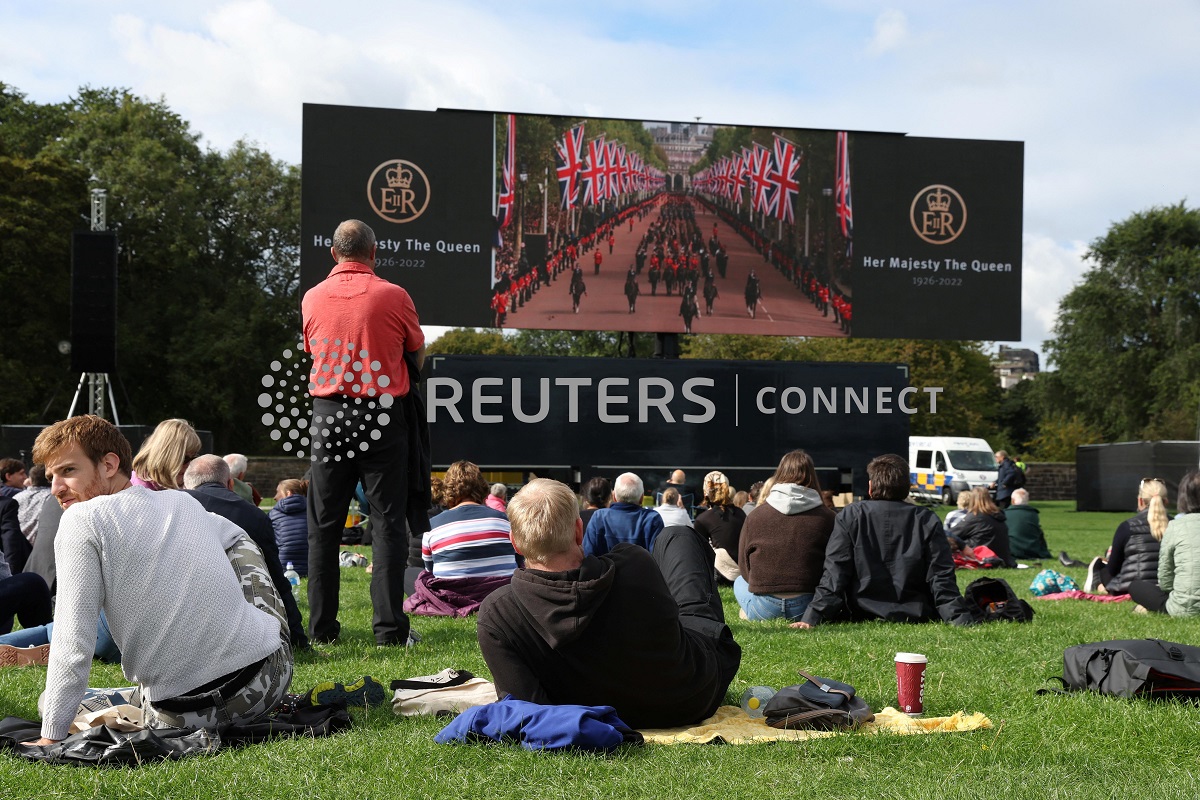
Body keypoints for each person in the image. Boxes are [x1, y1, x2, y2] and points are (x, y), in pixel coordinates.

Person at [26, 415, 291, 744]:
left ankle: (138, 704)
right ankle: (256, 642)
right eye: (51, 476)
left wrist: (51, 736)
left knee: (51, 704)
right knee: (240, 546)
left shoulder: (81, 519)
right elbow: (237, 536)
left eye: (68, 471)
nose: (55, 488)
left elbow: (73, 638)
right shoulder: (181, 500)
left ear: (109, 464)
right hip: (267, 684)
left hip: (178, 716)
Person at [476, 478, 741, 728]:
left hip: (610, 713)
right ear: (579, 531)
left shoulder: (499, 614)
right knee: (677, 536)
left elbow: (527, 709)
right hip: (690, 700)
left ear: (515, 542)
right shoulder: (633, 563)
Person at [302, 218, 427, 647]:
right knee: (388, 522)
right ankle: (389, 631)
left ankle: (321, 630)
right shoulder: (394, 295)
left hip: (328, 414)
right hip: (382, 416)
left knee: (324, 525)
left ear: (333, 253)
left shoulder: (313, 297)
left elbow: (313, 351)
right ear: (374, 253)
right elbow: (416, 353)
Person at [792, 454, 978, 629]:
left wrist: (813, 617)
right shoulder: (925, 519)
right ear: (907, 487)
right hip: (915, 611)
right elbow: (940, 576)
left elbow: (836, 571)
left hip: (861, 612)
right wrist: (960, 618)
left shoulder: (852, 515)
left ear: (871, 487)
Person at [182, 456, 309, 650]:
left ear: (186, 484)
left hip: (186, 618)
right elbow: (277, 580)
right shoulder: (254, 515)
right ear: (231, 484)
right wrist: (299, 639)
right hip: (243, 620)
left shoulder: (175, 509)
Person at [406, 461, 518, 616]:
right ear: (482, 487)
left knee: (411, 573)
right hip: (500, 593)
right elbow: (518, 559)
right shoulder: (504, 520)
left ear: (448, 489)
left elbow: (430, 570)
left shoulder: (432, 526)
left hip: (452, 595)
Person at [735, 450, 835, 622]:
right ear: (812, 476)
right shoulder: (828, 517)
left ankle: (751, 611)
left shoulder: (755, 516)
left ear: (779, 474)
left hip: (764, 607)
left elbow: (744, 567)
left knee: (739, 581)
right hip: (809, 606)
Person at [1127, 470, 1200, 616]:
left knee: (1135, 586)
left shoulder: (1175, 526)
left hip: (1183, 608)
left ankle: (1150, 608)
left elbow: (1166, 580)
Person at [1084, 478, 1169, 595]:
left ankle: (1099, 585)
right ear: (1166, 501)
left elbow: (1113, 569)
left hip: (1130, 588)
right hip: (1167, 588)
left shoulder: (1127, 527)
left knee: (1102, 567)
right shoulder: (1177, 526)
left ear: (1140, 501)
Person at [583, 472, 663, 557]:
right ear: (642, 498)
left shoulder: (599, 517)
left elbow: (588, 554)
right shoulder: (652, 519)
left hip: (605, 565)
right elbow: (658, 557)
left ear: (614, 496)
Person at [693, 471, 746, 585]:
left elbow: (698, 551)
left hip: (722, 576)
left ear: (706, 491)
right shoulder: (740, 513)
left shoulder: (703, 518)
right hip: (744, 572)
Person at [130, 419, 201, 491]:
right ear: (164, 456)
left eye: (193, 458)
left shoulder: (190, 487)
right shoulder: (137, 490)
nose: (189, 465)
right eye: (184, 458)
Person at [955, 487, 1017, 567]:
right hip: (1003, 558)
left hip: (983, 557)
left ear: (972, 500)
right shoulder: (999, 516)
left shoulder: (975, 517)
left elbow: (953, 534)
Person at [270, 478, 309, 577]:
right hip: (311, 568)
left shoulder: (273, 514)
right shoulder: (313, 511)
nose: (275, 497)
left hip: (283, 568)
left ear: (288, 493)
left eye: (278, 492)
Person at [1005, 488, 1052, 559]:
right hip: (1032, 550)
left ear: (1013, 501)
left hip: (1012, 551)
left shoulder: (1005, 514)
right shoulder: (1033, 514)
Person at [13, 464, 51, 544]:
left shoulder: (17, 497)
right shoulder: (52, 498)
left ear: (30, 479)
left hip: (16, 546)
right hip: (40, 546)